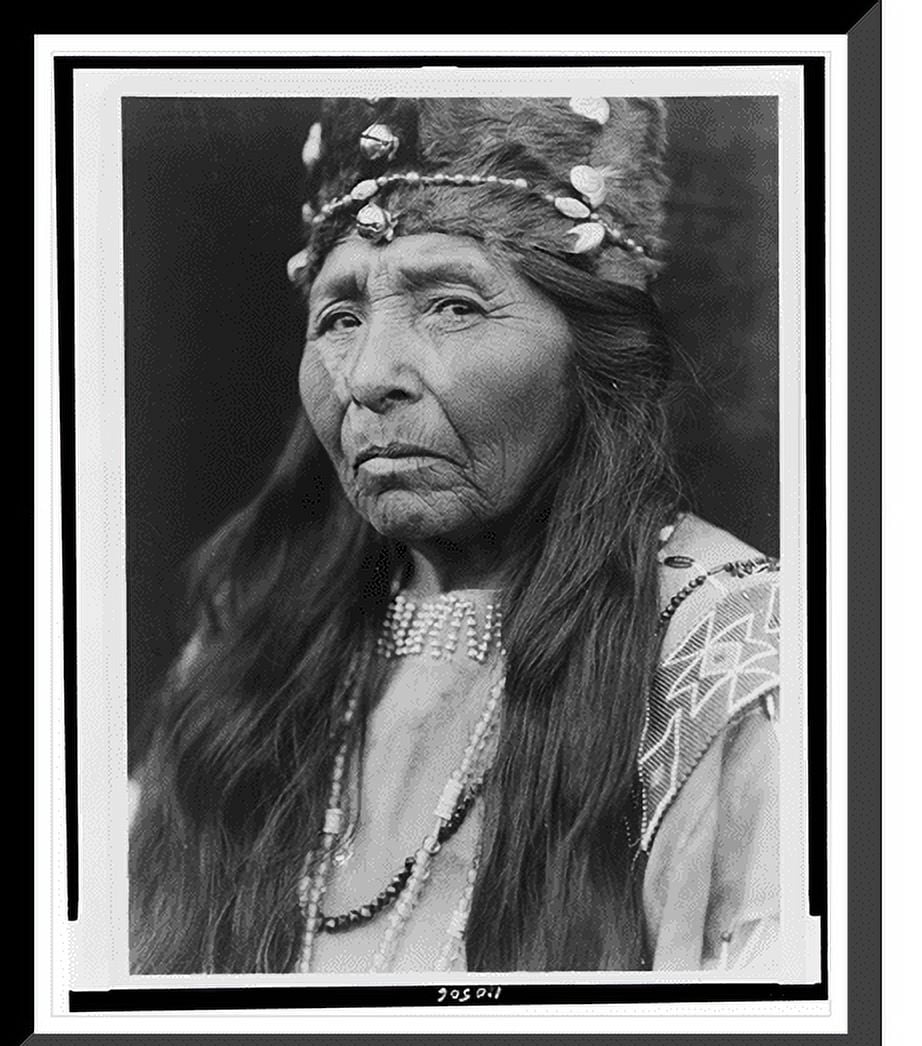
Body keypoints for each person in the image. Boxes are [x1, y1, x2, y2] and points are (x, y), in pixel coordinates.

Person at [129, 96, 781, 975]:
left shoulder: (736, 654)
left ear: (597, 354)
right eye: (340, 317)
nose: (367, 378)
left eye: (451, 306)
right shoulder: (246, 638)